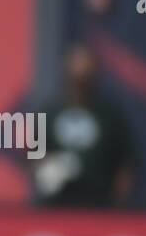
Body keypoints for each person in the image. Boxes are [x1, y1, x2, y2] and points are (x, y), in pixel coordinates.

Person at [32, 44, 136, 208]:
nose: (79, 82)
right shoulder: (50, 114)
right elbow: (33, 157)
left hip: (99, 204)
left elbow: (125, 162)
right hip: (57, 206)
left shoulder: (108, 115)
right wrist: (47, 172)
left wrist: (118, 202)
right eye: (75, 77)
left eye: (84, 77)